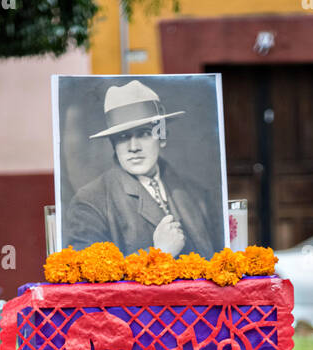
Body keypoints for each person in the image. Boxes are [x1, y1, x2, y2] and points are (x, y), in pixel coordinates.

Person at [65, 80, 219, 258]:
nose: (133, 147)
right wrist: (158, 253)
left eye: (144, 133)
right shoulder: (90, 202)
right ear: (113, 144)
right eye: (123, 137)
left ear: (162, 138)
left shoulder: (197, 195)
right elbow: (87, 276)